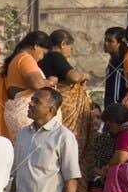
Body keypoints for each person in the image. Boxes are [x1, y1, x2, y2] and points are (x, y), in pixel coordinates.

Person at [80, 25, 128, 186]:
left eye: (110, 41)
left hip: (119, 111)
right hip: (110, 110)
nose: (106, 44)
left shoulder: (124, 61)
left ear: (120, 43)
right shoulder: (112, 62)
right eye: (105, 40)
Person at [40, 28, 97, 160]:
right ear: (63, 44)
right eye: (70, 47)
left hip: (50, 105)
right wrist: (85, 75)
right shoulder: (55, 56)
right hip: (64, 108)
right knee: (69, 142)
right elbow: (73, 77)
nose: (70, 52)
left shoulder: (44, 58)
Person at [0, 30, 52, 140]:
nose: (41, 58)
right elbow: (37, 84)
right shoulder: (26, 58)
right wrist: (51, 82)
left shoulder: (16, 59)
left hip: (17, 115)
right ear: (36, 46)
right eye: (43, 53)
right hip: (27, 116)